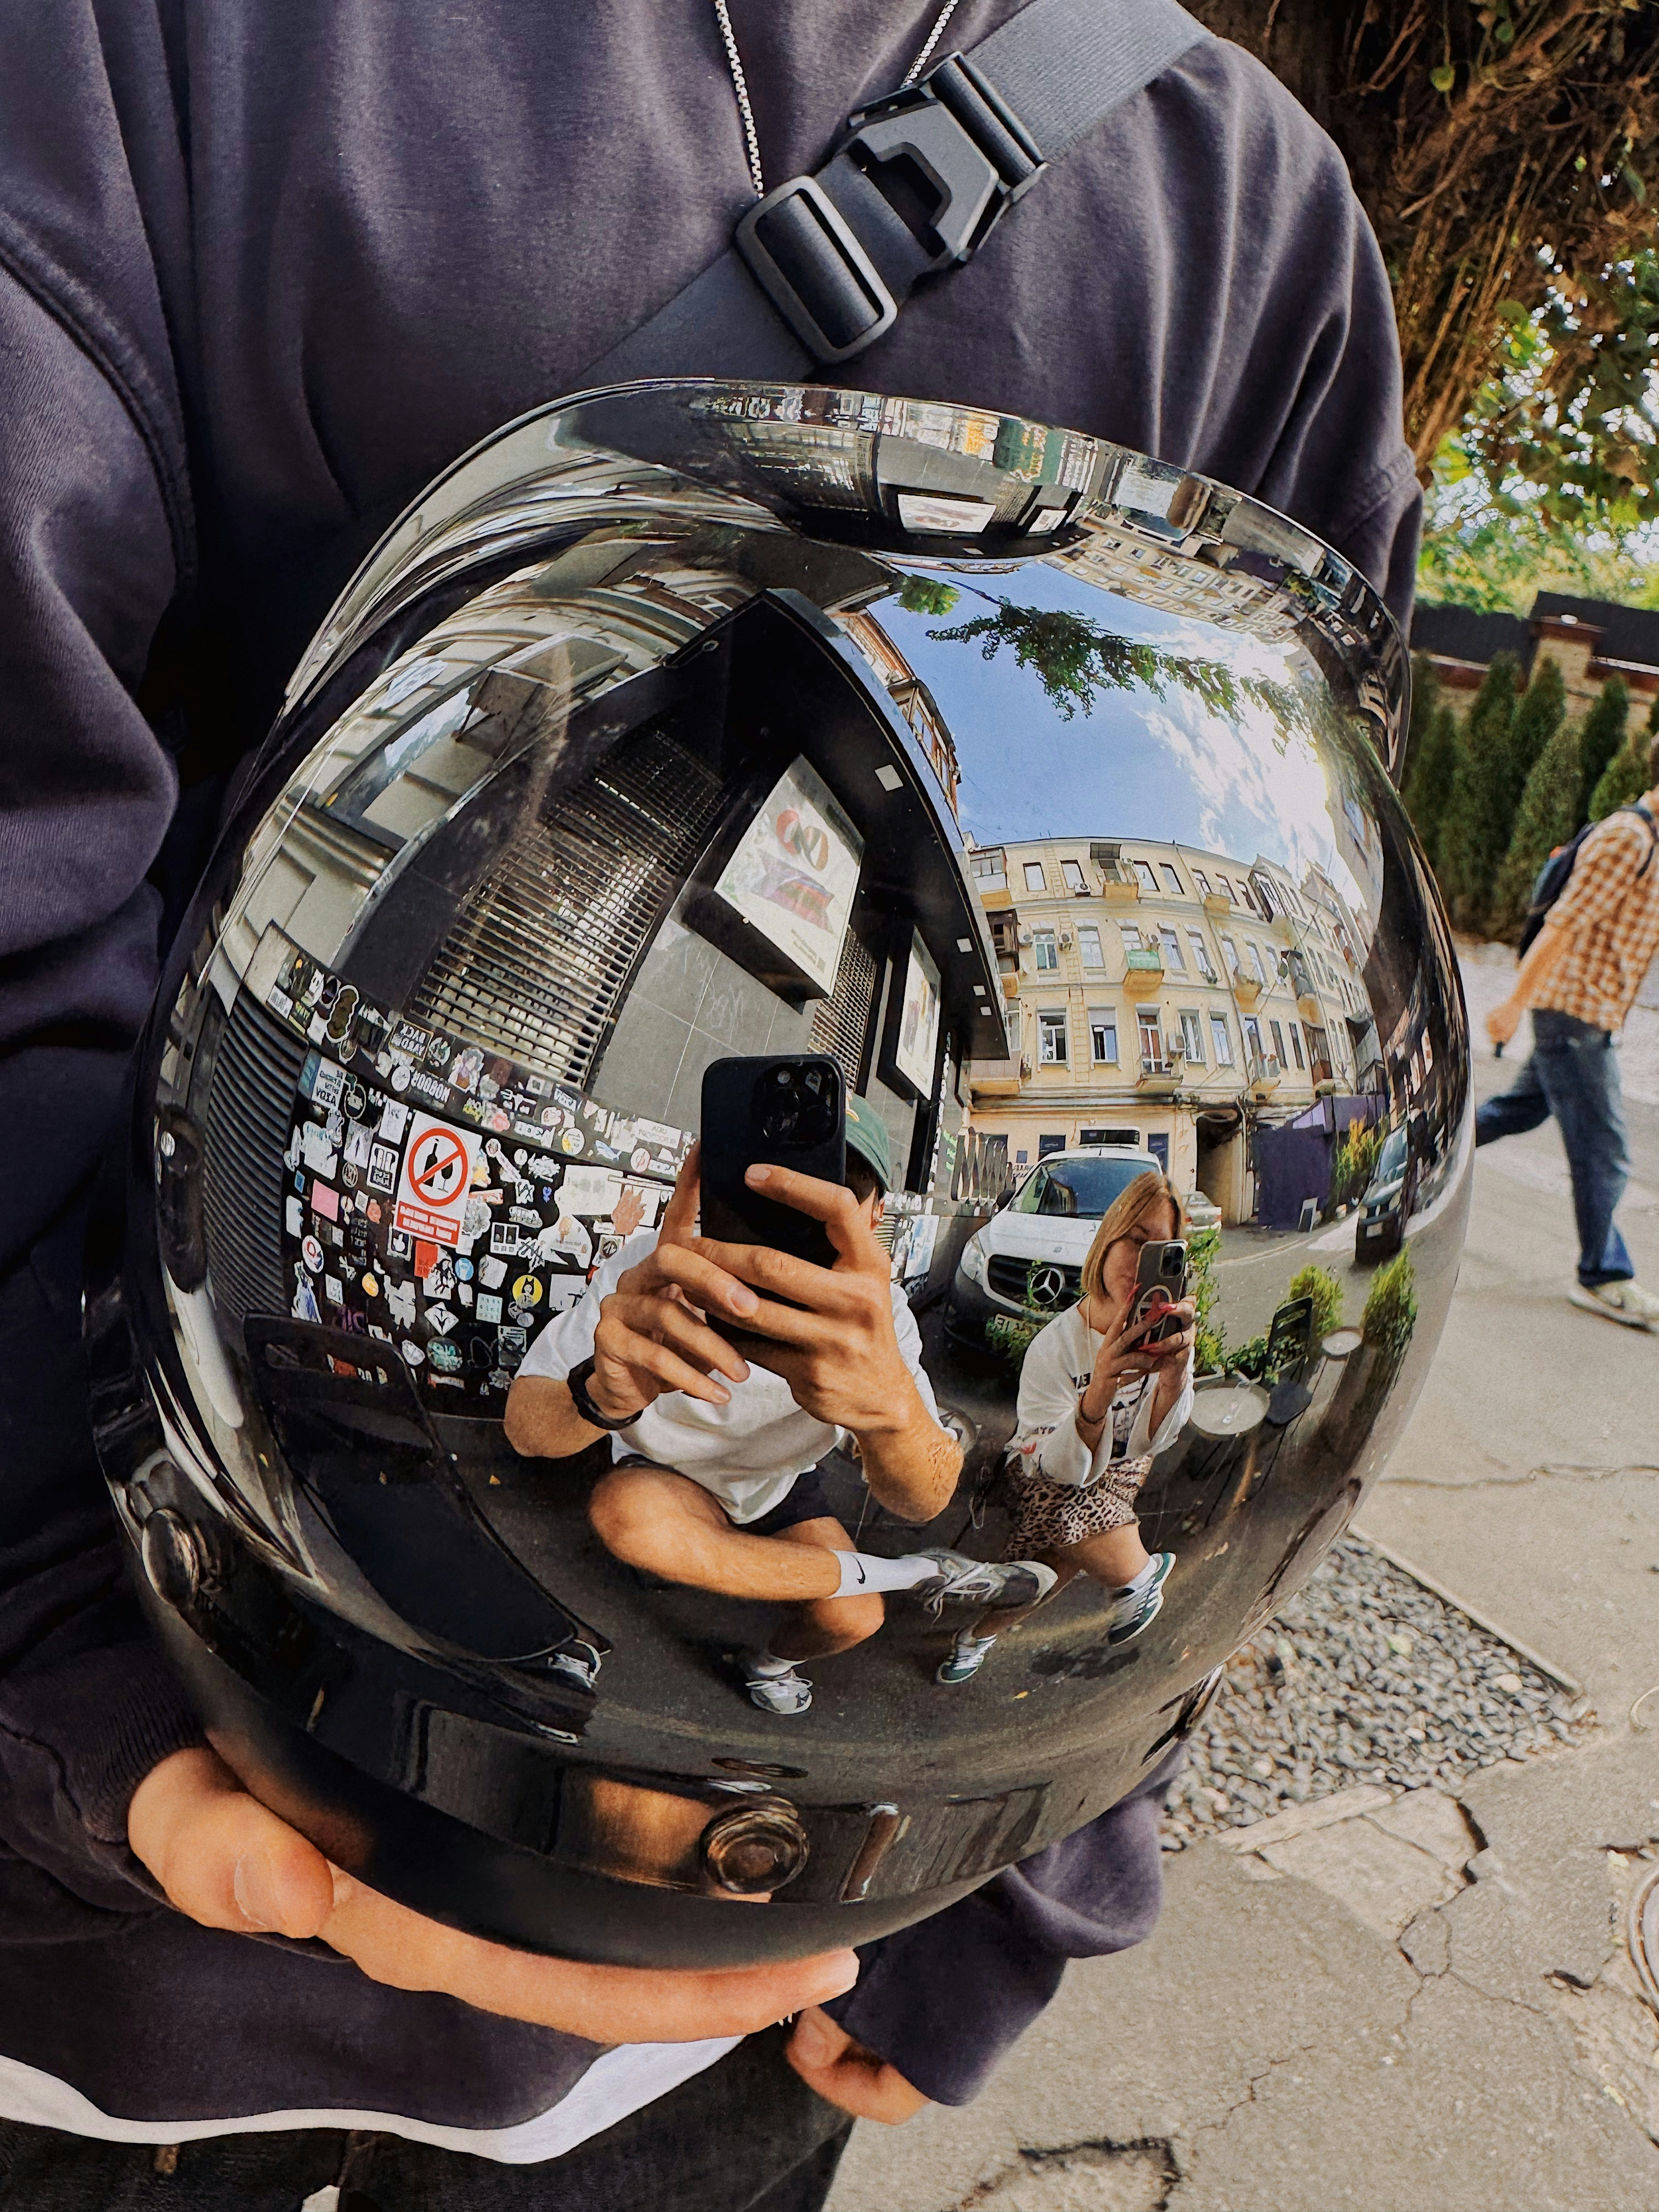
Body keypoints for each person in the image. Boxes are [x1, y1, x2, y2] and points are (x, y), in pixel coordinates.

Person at [0, 4, 1424, 2204]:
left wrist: (999, 1801)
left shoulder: (1240, 203)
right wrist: (89, 1704)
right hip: (167, 1938)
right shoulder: (1237, 201)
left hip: (671, 1967)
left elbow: (1255, 1223)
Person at [505, 1107, 1055, 1714]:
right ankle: (904, 1574)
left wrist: (894, 1413)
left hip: (775, 1483)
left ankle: (769, 1662)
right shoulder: (657, 1265)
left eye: (828, 1192)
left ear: (872, 1216)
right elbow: (526, 1427)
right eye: (764, 1184)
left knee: (852, 1617)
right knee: (632, 1519)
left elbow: (925, 1496)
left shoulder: (879, 1316)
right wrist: (602, 1397)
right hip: (662, 1470)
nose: (793, 1214)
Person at [938, 1173, 1196, 1685]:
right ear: (1108, 1240)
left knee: (1053, 1558)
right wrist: (1098, 1388)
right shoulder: (1055, 1347)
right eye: (1135, 1241)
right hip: (1041, 1465)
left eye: (1160, 1251)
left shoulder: (1163, 1332)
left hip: (1122, 1468)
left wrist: (1174, 1376)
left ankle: (981, 1632)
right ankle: (1137, 1575)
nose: (1142, 1263)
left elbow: (1155, 1441)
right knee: (1065, 1513)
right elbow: (1054, 1466)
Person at [1481, 734, 1659, 1331]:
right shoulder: (1626, 839)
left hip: (1592, 1014)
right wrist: (1511, 1002)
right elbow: (1560, 926)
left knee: (1516, 1111)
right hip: (1573, 1013)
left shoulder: (1652, 842)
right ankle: (1602, 1276)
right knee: (1606, 1150)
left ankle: (1408, 1167)